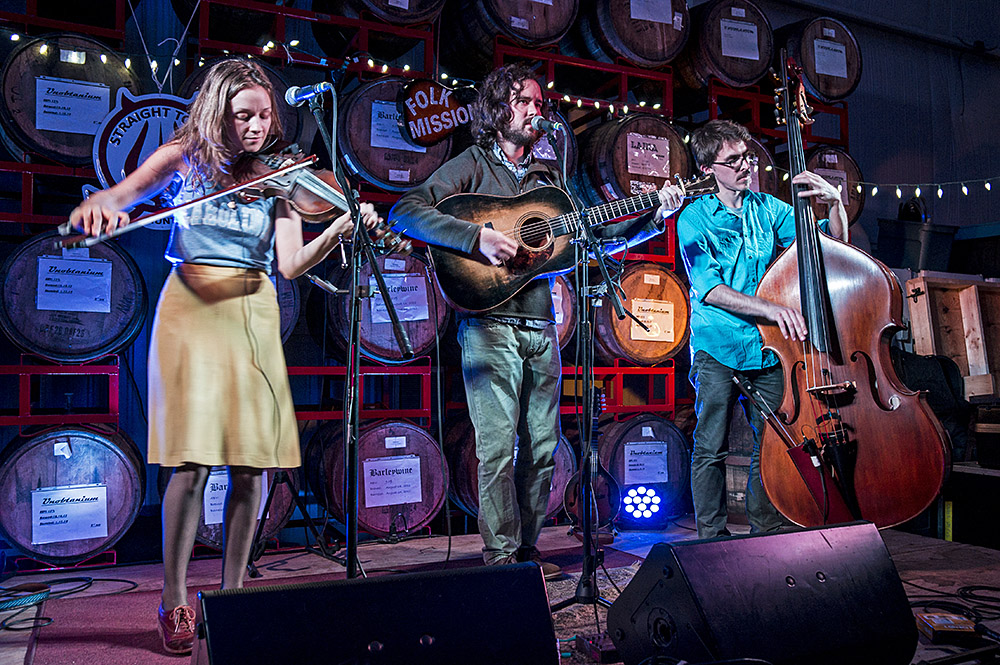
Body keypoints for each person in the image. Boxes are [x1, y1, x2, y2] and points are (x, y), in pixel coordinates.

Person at [69, 58, 379, 655]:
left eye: (265, 115)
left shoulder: (281, 178)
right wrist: (103, 204)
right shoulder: (187, 154)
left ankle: (233, 599)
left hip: (253, 309)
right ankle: (175, 598)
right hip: (191, 305)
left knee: (252, 463)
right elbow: (126, 191)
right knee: (191, 462)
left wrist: (335, 233)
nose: (259, 128)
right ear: (219, 113)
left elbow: (288, 265)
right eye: (244, 117)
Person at [389, 63, 683, 577]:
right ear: (498, 109)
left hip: (541, 327)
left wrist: (654, 217)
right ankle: (501, 558)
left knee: (543, 449)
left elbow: (595, 241)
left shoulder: (551, 179)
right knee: (498, 448)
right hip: (488, 325)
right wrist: (475, 238)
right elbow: (407, 211)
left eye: (539, 102)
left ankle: (527, 552)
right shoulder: (471, 165)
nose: (535, 109)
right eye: (523, 101)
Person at [676, 119, 847, 539]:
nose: (744, 166)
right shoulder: (693, 218)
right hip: (717, 345)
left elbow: (827, 247)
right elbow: (710, 290)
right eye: (732, 160)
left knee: (771, 445)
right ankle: (711, 540)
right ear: (707, 169)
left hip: (767, 348)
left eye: (747, 157)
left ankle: (763, 535)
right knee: (710, 447)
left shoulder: (768, 208)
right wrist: (771, 309)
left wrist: (836, 203)